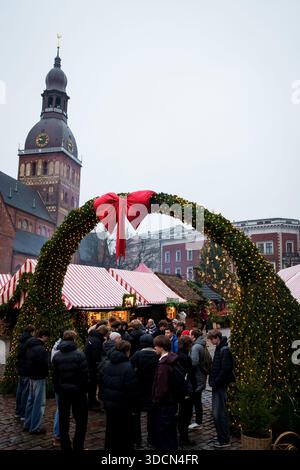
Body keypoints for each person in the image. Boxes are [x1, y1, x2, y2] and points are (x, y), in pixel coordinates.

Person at [52, 330, 89, 451]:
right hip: (78, 392)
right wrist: (83, 390)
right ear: (74, 339)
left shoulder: (57, 356)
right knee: (81, 420)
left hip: (63, 392)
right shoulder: (80, 354)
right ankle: (78, 445)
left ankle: (65, 445)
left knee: (63, 419)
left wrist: (58, 389)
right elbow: (84, 375)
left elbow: (55, 377)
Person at [100, 340, 138, 451]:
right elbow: (132, 390)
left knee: (111, 429)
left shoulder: (106, 364)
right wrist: (134, 406)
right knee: (125, 432)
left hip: (110, 403)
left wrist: (104, 399)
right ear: (127, 351)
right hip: (123, 405)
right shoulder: (128, 367)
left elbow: (102, 383)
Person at [130, 334, 159, 448]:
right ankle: (151, 438)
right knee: (152, 416)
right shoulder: (156, 355)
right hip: (152, 388)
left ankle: (137, 439)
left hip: (139, 389)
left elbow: (131, 369)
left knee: (136, 416)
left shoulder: (137, 355)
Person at [207, 329, 234, 448]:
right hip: (217, 385)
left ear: (217, 338)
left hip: (220, 386)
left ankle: (224, 440)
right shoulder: (219, 348)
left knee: (219, 414)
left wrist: (215, 381)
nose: (211, 342)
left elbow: (225, 370)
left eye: (212, 339)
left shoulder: (224, 350)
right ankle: (222, 438)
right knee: (218, 413)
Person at [152, 335, 179, 451]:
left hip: (165, 403)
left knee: (164, 431)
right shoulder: (172, 359)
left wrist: (156, 399)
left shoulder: (163, 366)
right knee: (170, 430)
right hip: (171, 401)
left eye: (156, 346)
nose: (154, 348)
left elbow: (162, 388)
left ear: (161, 347)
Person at [23, 328, 50, 434]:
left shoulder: (30, 345)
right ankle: (35, 427)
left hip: (31, 376)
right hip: (39, 376)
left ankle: (28, 424)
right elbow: (44, 364)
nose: (47, 339)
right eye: (47, 337)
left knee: (30, 401)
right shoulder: (40, 348)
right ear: (43, 336)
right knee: (39, 403)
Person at [177, 335, 195, 446]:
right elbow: (189, 374)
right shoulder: (185, 357)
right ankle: (184, 438)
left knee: (182, 415)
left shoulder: (177, 354)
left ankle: (183, 437)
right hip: (186, 390)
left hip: (180, 389)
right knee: (185, 415)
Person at [15, 324, 35, 421]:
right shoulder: (30, 341)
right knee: (25, 392)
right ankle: (23, 413)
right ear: (32, 332)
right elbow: (29, 357)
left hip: (20, 368)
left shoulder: (21, 340)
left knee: (19, 391)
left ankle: (18, 412)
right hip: (26, 370)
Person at [189, 329, 207, 429]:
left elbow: (194, 362)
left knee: (196, 400)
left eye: (190, 334)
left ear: (194, 336)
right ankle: (198, 421)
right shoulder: (201, 344)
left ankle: (198, 422)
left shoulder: (196, 347)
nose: (189, 336)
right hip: (201, 376)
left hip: (197, 377)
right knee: (197, 400)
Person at [85, 325, 104, 409]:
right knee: (92, 384)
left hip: (90, 365)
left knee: (92, 384)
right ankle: (91, 401)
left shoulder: (91, 337)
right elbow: (96, 356)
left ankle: (91, 400)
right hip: (92, 366)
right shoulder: (96, 340)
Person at [51, 330, 64, 446]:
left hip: (57, 383)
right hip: (64, 384)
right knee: (61, 410)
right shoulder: (63, 352)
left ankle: (58, 435)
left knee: (60, 409)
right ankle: (57, 435)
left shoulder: (55, 348)